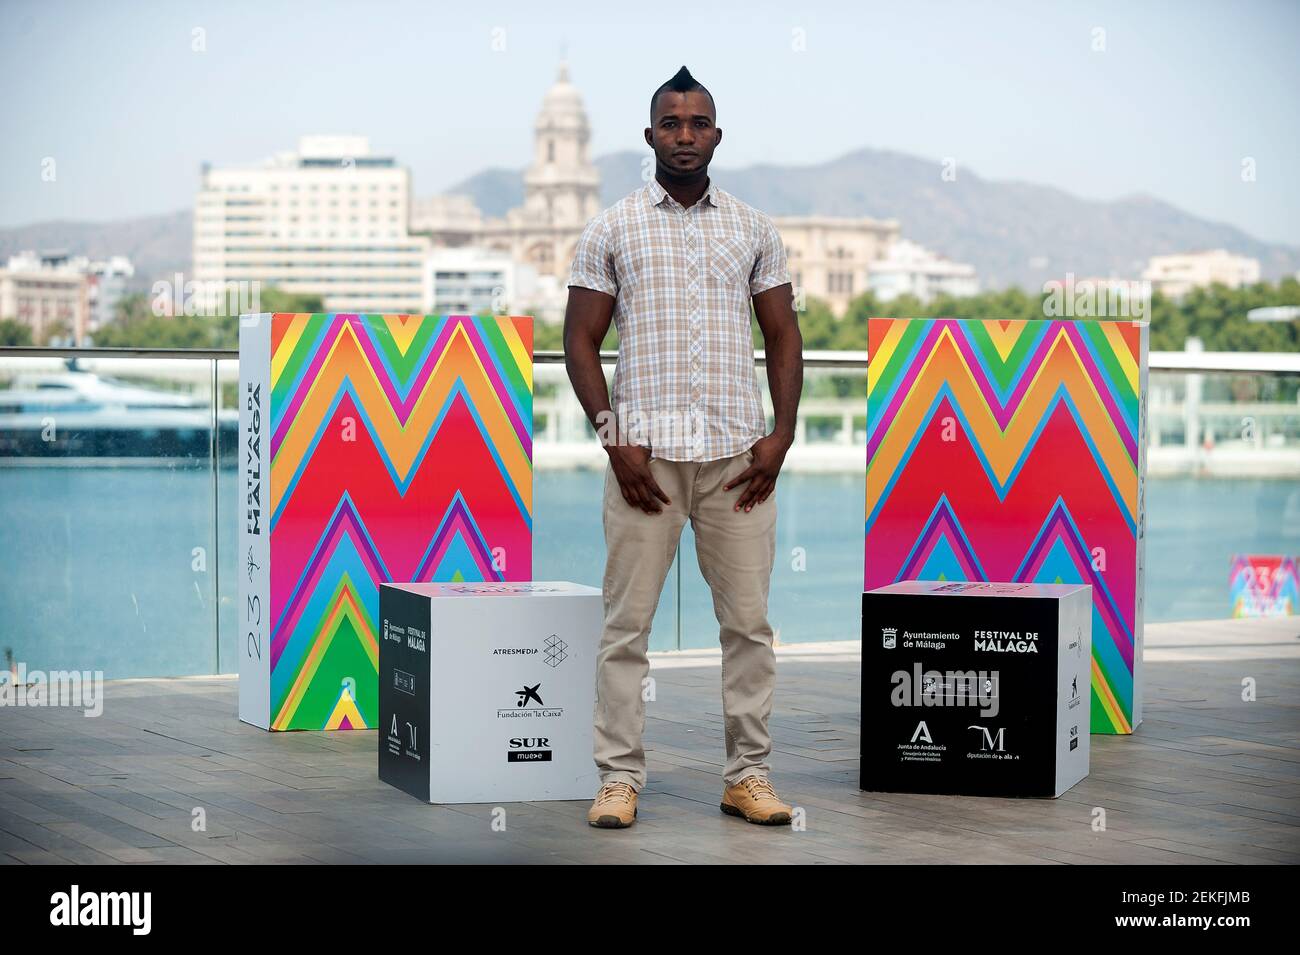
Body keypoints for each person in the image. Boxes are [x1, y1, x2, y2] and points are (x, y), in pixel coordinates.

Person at [564, 65, 803, 829]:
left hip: (739, 462)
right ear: (650, 136)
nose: (686, 136)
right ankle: (618, 780)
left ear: (717, 134)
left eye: (698, 123)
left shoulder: (752, 228)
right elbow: (579, 340)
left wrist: (781, 436)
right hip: (645, 464)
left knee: (748, 628)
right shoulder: (612, 227)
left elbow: (783, 335)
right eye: (671, 124)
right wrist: (614, 442)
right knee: (624, 628)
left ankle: (748, 776)